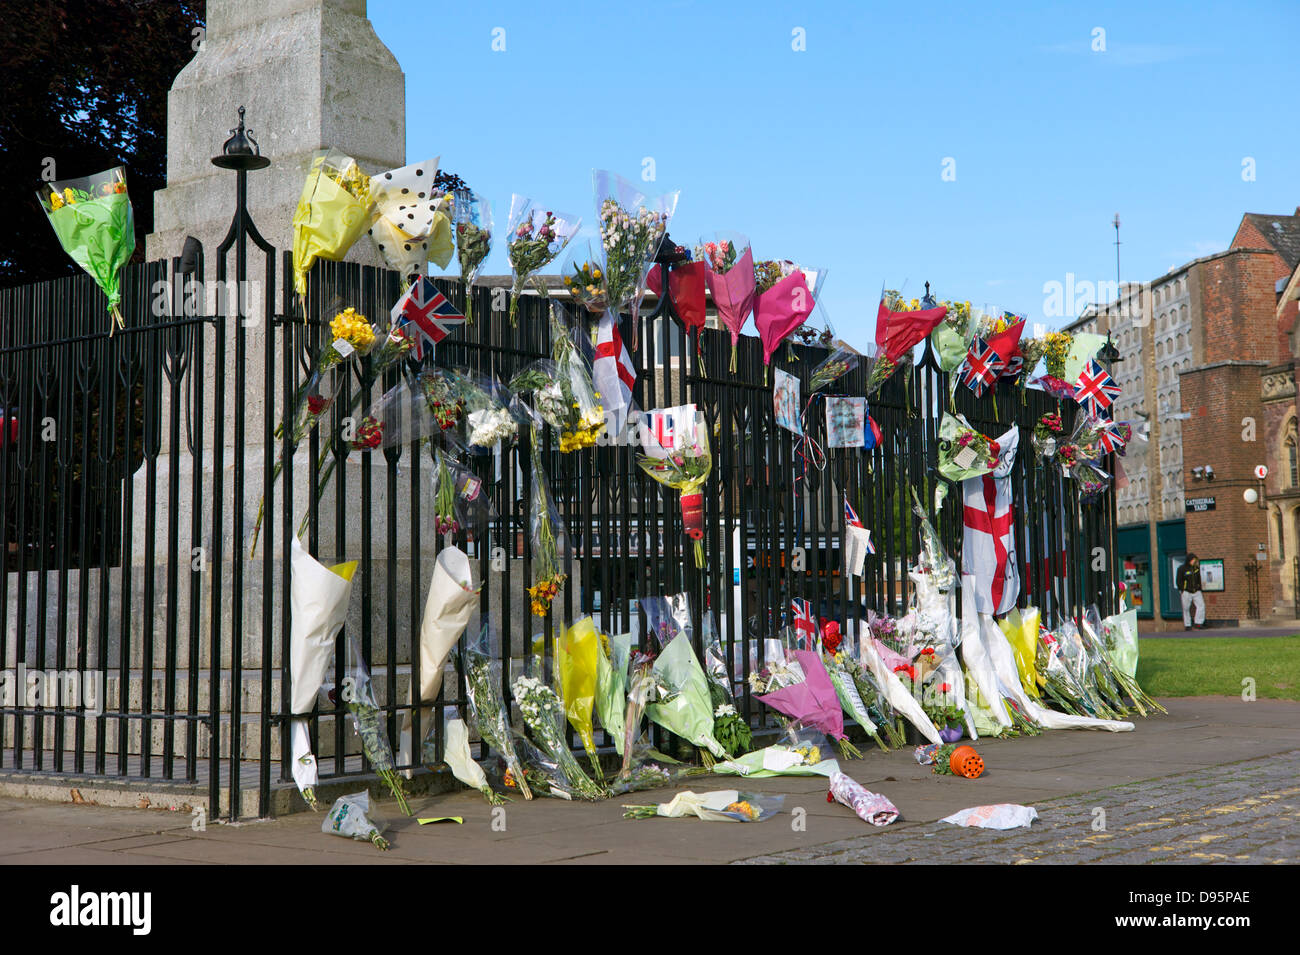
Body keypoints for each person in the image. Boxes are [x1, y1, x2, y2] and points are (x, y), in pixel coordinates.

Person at [1176, 553, 1206, 631]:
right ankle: (1187, 624)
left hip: (1196, 591)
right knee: (1186, 608)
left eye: (1195, 560)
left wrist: (1199, 587)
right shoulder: (1181, 569)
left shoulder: (1196, 569)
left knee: (1201, 605)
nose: (1194, 562)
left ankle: (1198, 623)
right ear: (1189, 560)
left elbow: (1199, 579)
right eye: (1193, 560)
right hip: (1186, 591)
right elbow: (1179, 580)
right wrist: (1182, 589)